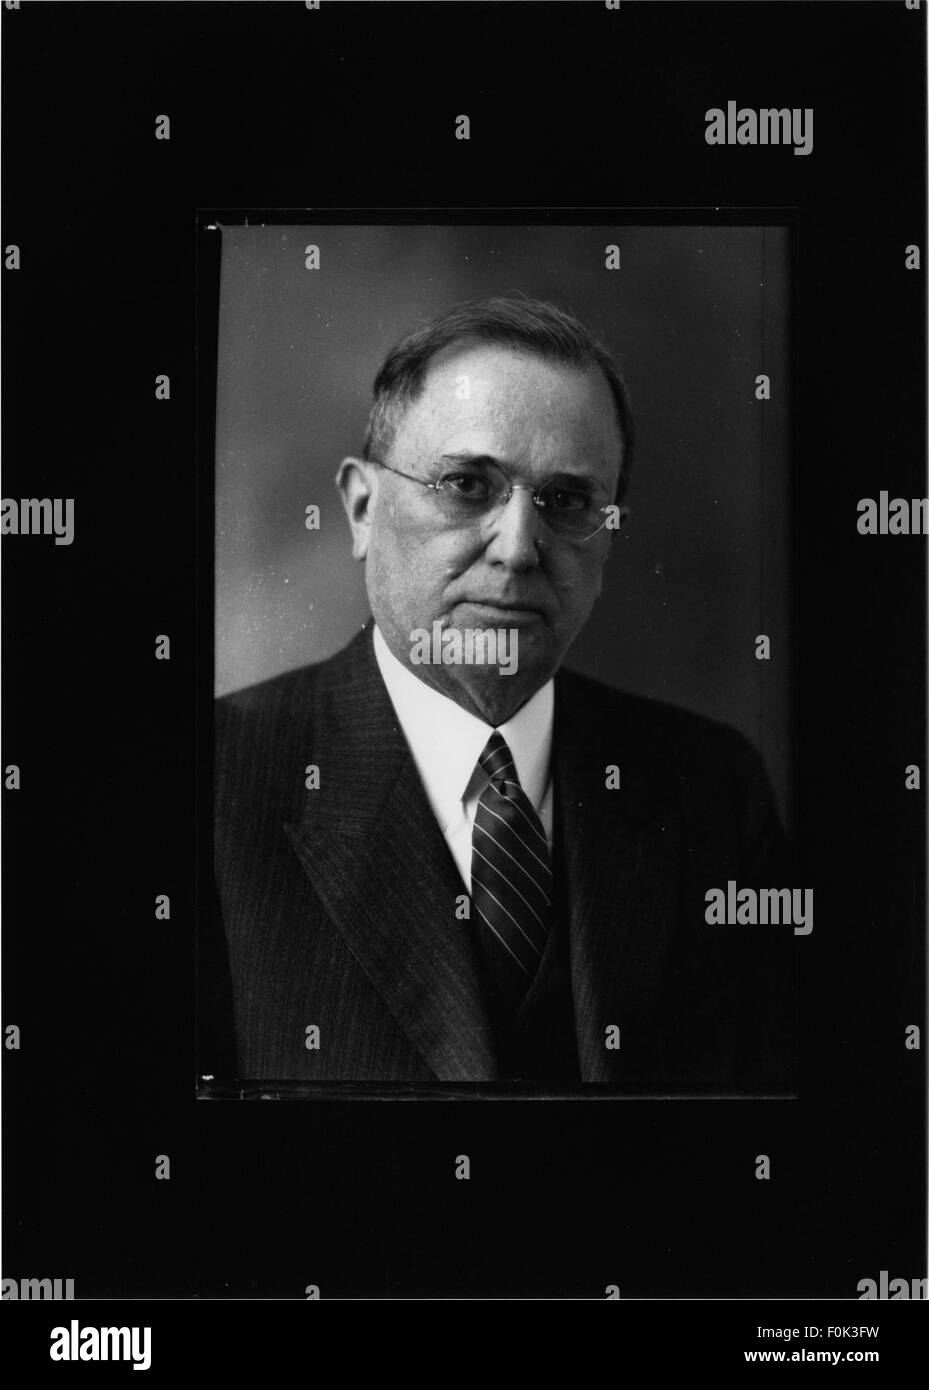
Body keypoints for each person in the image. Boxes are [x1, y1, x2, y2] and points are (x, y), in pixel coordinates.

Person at [206, 296, 795, 1089]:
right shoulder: (212, 777)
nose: (519, 549)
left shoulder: (714, 787)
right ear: (361, 509)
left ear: (608, 535)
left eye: (566, 501)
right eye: (466, 485)